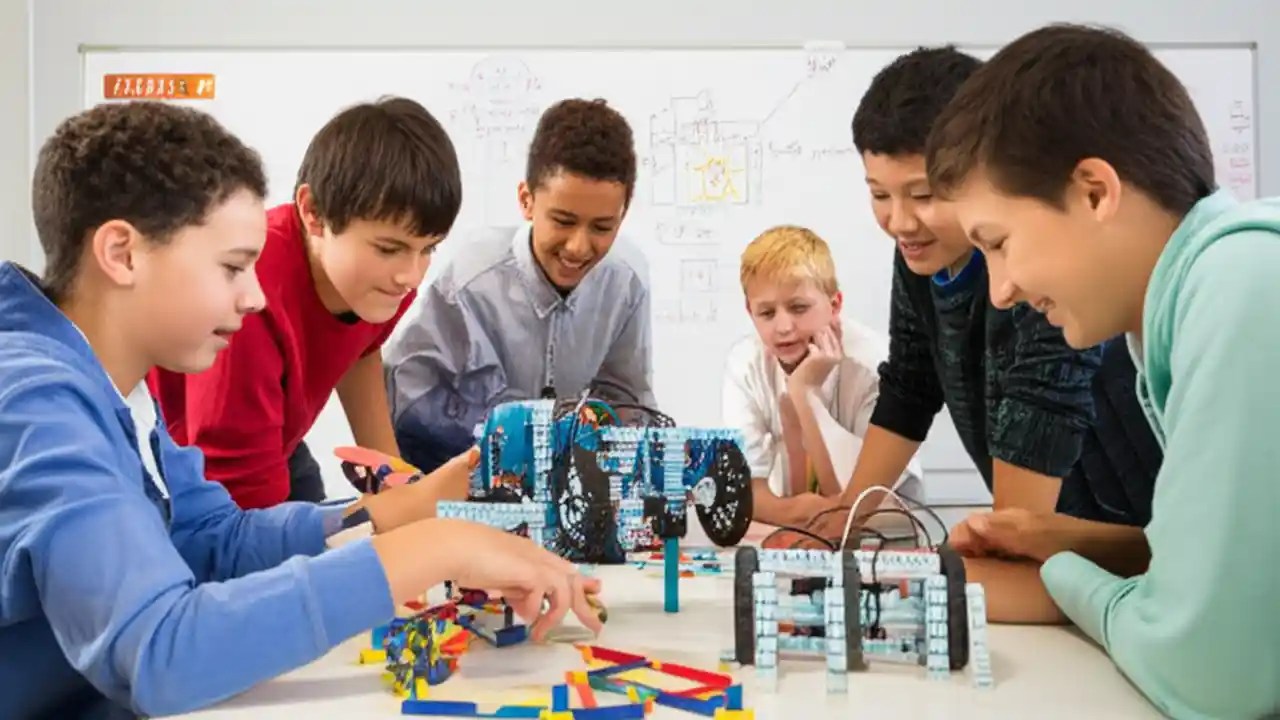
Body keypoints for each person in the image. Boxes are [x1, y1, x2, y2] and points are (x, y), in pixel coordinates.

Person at [0, 101, 603, 720]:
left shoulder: (121, 391)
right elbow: (158, 654)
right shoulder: (36, 404)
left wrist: (406, 510)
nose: (256, 295)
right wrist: (434, 548)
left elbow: (218, 540)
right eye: (232, 267)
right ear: (123, 254)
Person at [925, 23, 1278, 718]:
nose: (1001, 290)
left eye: (999, 243)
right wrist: (1075, 540)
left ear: (1094, 192)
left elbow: (1209, 677)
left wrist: (1066, 575)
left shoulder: (1242, 287)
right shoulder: (1191, 304)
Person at [829, 45, 1125, 623]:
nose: (899, 222)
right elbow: (910, 386)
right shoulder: (922, 256)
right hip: (1063, 567)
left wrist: (967, 561)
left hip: (1113, 552)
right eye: (879, 194)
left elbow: (1019, 543)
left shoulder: (1040, 277)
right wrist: (845, 520)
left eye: (922, 195)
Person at [148, 96, 461, 508]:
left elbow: (361, 349)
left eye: (429, 248)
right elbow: (243, 512)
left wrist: (397, 484)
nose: (413, 276)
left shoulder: (383, 284)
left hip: (274, 438)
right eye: (389, 249)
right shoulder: (250, 298)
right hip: (181, 470)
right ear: (313, 212)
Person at [385, 98, 654, 474]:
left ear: (622, 215)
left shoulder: (627, 283)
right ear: (527, 200)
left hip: (564, 488)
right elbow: (408, 396)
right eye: (563, 221)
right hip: (457, 475)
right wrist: (503, 446)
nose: (578, 246)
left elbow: (626, 401)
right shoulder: (470, 280)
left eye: (602, 227)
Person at [722, 225, 923, 528]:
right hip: (795, 531)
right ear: (750, 312)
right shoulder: (745, 364)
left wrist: (805, 394)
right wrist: (795, 511)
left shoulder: (875, 365)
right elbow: (743, 492)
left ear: (835, 305)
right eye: (767, 313)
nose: (783, 327)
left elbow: (859, 503)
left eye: (798, 308)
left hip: (884, 534)